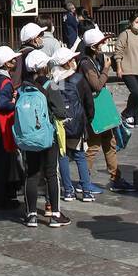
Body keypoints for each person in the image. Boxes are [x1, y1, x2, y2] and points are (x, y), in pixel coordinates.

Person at [15, 50, 70, 229]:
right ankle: (54, 214)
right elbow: (61, 111)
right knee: (51, 174)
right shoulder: (50, 84)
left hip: (28, 137)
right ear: (44, 67)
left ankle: (31, 215)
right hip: (47, 136)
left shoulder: (22, 86)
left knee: (31, 173)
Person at [80, 27, 129, 192]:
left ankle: (116, 177)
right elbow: (97, 85)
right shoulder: (86, 63)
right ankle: (84, 180)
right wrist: (106, 69)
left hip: (100, 109)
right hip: (93, 110)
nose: (104, 44)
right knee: (93, 145)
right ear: (93, 46)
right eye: (101, 42)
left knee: (110, 142)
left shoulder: (96, 58)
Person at [49, 45, 96, 202]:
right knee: (80, 156)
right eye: (72, 59)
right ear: (68, 62)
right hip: (77, 124)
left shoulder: (55, 81)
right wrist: (87, 120)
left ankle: (68, 191)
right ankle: (87, 191)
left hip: (61, 124)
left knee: (62, 156)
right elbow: (89, 103)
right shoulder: (78, 79)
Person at [0, 45, 22, 211]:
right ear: (6, 64)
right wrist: (14, 103)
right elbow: (2, 104)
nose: (15, 61)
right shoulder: (6, 82)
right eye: (12, 60)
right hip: (3, 129)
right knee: (4, 164)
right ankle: (1, 200)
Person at [115, 11, 138, 126]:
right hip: (127, 69)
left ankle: (136, 118)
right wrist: (119, 67)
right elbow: (118, 51)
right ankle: (126, 114)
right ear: (131, 22)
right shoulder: (125, 34)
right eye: (137, 22)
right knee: (136, 92)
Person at [13, 21, 44, 88]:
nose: (42, 38)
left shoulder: (18, 53)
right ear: (34, 39)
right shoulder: (33, 54)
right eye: (40, 35)